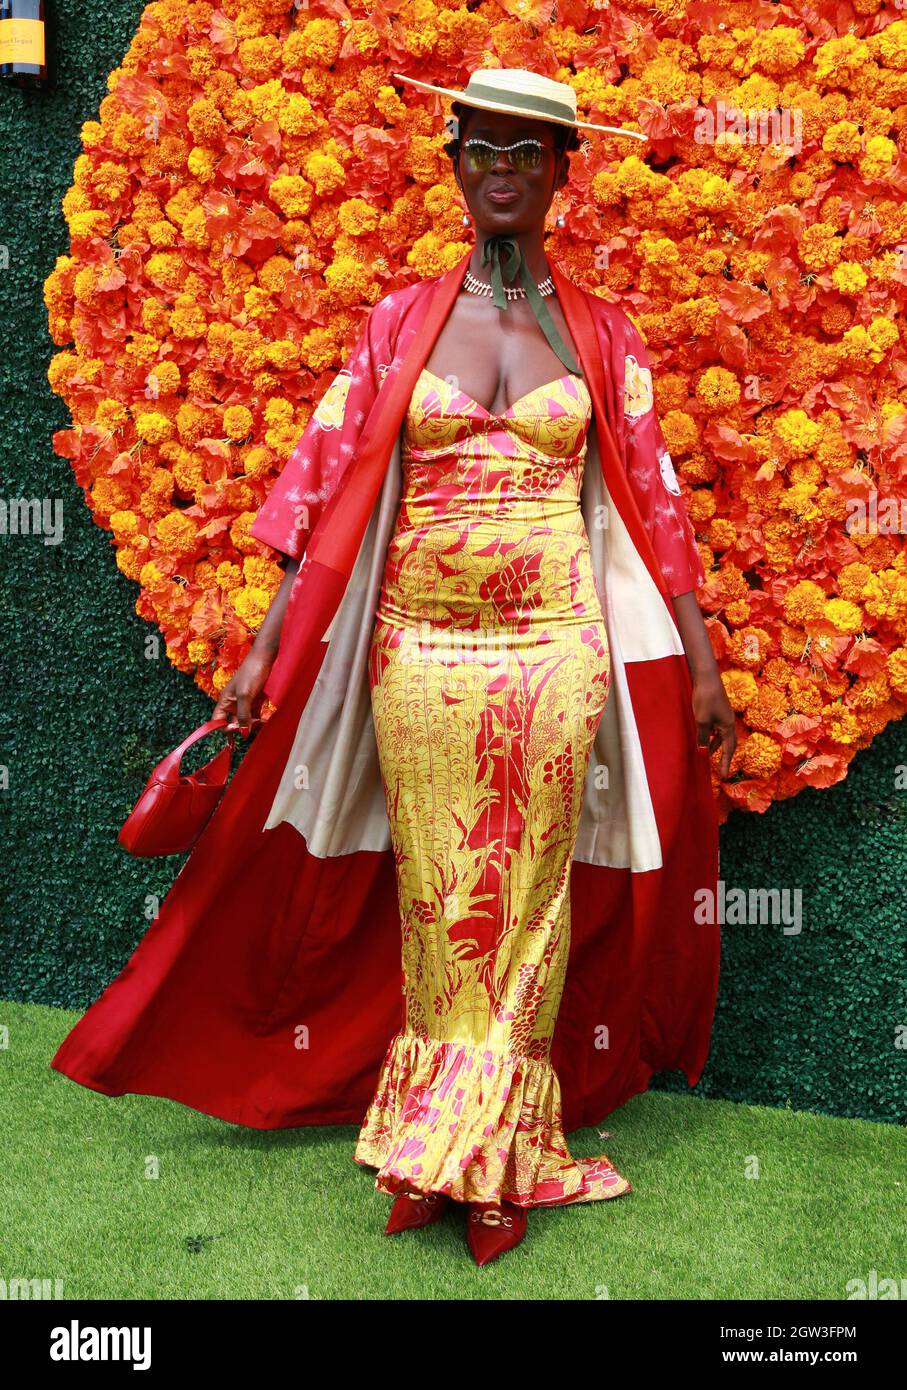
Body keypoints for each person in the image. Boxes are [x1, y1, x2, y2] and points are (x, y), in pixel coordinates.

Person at [51, 69, 735, 1270]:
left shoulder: (603, 332)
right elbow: (319, 489)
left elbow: (654, 495)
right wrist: (264, 649)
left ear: (565, 171)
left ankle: (490, 1156)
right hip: (418, 651)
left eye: (531, 151)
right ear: (456, 164)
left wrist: (699, 655)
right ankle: (440, 1137)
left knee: (524, 900)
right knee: (438, 899)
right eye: (484, 149)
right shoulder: (395, 324)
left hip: (552, 653)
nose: (505, 169)